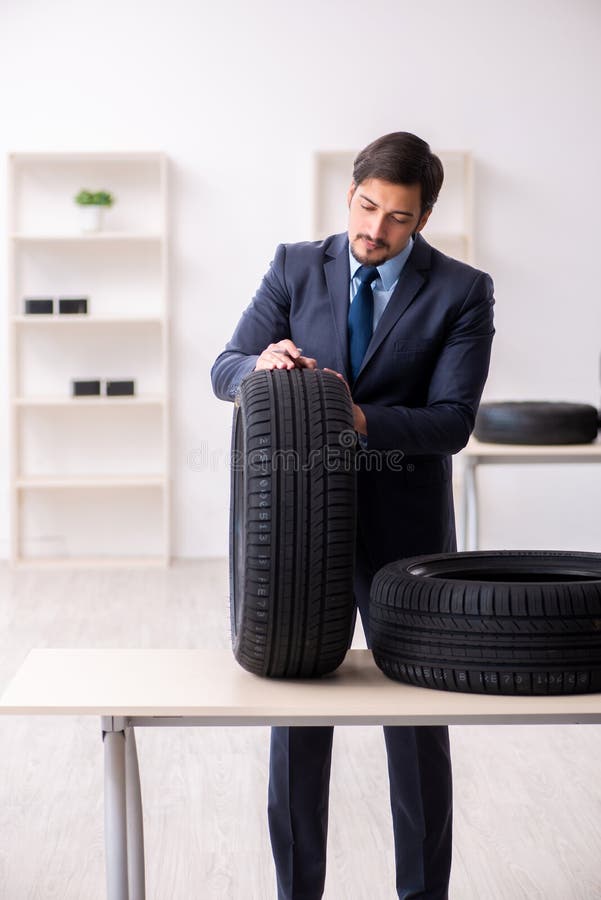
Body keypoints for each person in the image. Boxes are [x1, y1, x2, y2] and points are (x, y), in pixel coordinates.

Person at [211, 131, 495, 900]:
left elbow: (450, 422)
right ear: (350, 193)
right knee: (300, 723)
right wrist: (262, 367)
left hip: (406, 533)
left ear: (424, 217)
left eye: (397, 218)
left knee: (414, 726)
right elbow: (224, 366)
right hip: (301, 525)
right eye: (367, 207)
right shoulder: (294, 265)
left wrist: (355, 416)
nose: (375, 230)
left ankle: (422, 895)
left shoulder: (463, 291)